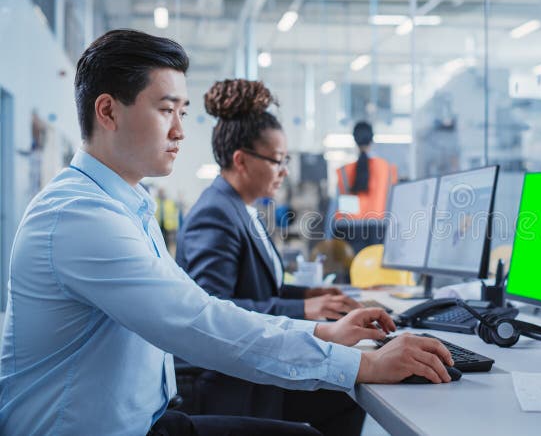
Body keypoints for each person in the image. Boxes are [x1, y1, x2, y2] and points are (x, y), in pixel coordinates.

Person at [0, 29, 455, 436]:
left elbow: (205, 307)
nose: (180, 130)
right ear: (108, 111)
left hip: (150, 419)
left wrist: (324, 334)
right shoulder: (81, 217)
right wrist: (362, 362)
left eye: (182, 111)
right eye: (165, 110)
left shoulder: (129, 206)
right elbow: (197, 323)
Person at [174, 79, 364, 433]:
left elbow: (262, 289)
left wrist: (310, 296)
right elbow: (216, 309)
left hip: (245, 366)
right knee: (343, 391)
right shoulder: (214, 213)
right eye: (277, 161)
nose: (284, 171)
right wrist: (306, 311)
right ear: (241, 161)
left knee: (345, 393)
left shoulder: (242, 208)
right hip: (222, 381)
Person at [333, 122, 398, 253]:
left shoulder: (345, 171)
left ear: (354, 140)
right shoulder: (388, 169)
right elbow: (393, 202)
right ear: (372, 139)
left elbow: (340, 207)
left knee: (354, 271)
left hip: (352, 232)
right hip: (380, 232)